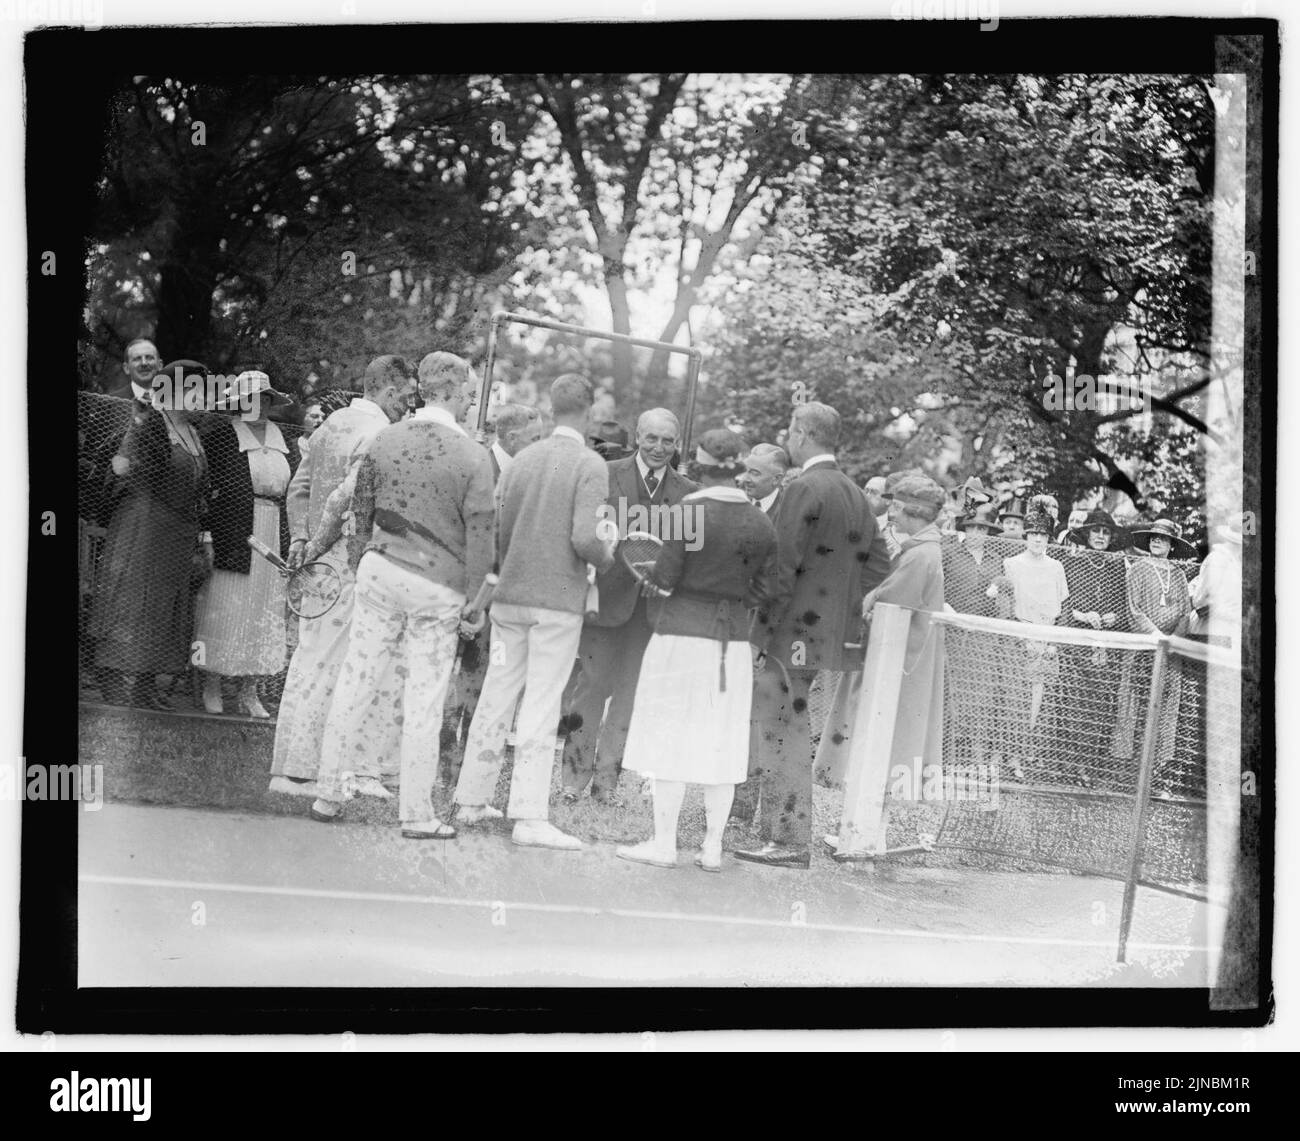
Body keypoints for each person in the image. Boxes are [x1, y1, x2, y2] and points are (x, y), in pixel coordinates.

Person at [309, 352, 495, 839]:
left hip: (380, 567)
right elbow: (481, 536)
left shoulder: (386, 438)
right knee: (424, 698)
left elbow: (360, 507)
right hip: (438, 582)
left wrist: (359, 562)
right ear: (451, 393)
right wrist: (477, 603)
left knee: (356, 681)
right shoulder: (473, 455)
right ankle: (416, 814)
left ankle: (327, 794)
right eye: (469, 394)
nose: (472, 402)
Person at [453, 374, 617, 850]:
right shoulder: (589, 464)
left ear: (551, 407)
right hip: (557, 604)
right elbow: (586, 537)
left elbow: (494, 529)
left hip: (509, 599)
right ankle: (528, 816)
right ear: (588, 411)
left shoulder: (522, 459)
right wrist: (607, 554)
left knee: (497, 693)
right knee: (543, 702)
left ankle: (471, 799)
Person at [736, 401, 890, 870]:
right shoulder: (856, 494)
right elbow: (879, 564)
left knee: (783, 731)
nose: (789, 437)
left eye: (790, 431)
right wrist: (838, 607)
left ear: (802, 434)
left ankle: (788, 840)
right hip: (824, 635)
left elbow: (780, 570)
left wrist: (760, 636)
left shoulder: (804, 488)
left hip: (790, 633)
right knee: (789, 726)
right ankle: (779, 833)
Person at [615, 429, 778, 872]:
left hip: (680, 638)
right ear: (739, 468)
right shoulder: (761, 522)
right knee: (722, 745)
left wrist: (653, 582)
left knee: (668, 738)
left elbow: (665, 578)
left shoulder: (686, 511)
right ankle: (711, 850)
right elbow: (765, 590)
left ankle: (664, 845)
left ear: (698, 465)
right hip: (732, 645)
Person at [269, 355, 414, 795]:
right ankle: (303, 772)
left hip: (317, 561)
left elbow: (300, 487)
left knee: (309, 658)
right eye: (406, 397)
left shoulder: (331, 425)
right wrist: (315, 543)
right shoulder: (379, 434)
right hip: (345, 559)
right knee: (335, 664)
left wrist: (300, 538)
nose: (408, 406)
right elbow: (342, 500)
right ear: (388, 390)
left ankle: (290, 768)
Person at [560, 407, 697, 806]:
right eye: (651, 438)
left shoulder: (689, 491)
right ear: (637, 436)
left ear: (677, 444)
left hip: (652, 612)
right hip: (605, 603)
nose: (658, 447)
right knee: (590, 688)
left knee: (630, 696)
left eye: (667, 441)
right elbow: (583, 532)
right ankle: (572, 779)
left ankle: (607, 783)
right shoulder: (605, 473)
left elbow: (689, 553)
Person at [89, 359, 213, 709]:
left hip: (177, 532)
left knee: (164, 608)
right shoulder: (148, 423)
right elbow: (123, 469)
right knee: (130, 601)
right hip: (142, 525)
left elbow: (200, 487)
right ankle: (111, 676)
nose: (202, 398)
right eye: (195, 391)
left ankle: (144, 685)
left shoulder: (194, 434)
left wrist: (200, 530)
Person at [439, 401, 544, 781]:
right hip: (469, 592)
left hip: (507, 598)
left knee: (487, 682)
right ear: (512, 437)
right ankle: (446, 761)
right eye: (534, 438)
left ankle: (471, 766)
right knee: (456, 681)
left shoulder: (529, 474)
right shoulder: (478, 465)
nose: (540, 445)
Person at [192, 371, 300, 717]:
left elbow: (295, 490)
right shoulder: (223, 436)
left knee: (264, 611)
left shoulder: (283, 439)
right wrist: (208, 536)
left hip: (273, 531)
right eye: (252, 398)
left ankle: (249, 691)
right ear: (240, 402)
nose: (259, 405)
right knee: (225, 606)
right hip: (233, 532)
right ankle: (212, 684)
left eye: (265, 398)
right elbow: (206, 491)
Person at [849, 473, 947, 796]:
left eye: (897, 507)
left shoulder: (920, 555)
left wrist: (866, 601)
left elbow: (890, 601)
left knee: (888, 736)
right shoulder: (922, 549)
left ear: (912, 511)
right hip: (903, 655)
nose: (891, 512)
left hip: (901, 659)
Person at [1114, 518, 1195, 793]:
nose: (1157, 541)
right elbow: (1133, 609)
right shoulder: (1137, 568)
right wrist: (1155, 636)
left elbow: (1186, 613)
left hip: (1169, 651)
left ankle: (1157, 771)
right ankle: (1125, 770)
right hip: (1143, 648)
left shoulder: (1180, 575)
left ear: (1172, 544)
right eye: (1153, 537)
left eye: (1163, 538)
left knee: (1166, 708)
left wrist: (1172, 640)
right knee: (1132, 704)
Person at [1058, 508, 1130, 785]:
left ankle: (1087, 764)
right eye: (1096, 531)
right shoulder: (1072, 563)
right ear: (1087, 534)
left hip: (1105, 649)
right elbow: (1063, 603)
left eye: (1105, 532)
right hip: (1076, 645)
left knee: (1099, 706)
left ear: (1111, 537)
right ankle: (1068, 764)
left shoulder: (1116, 568)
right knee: (1074, 704)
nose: (1100, 536)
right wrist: (1081, 615)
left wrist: (1114, 617)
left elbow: (1125, 608)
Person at [1001, 507, 1070, 780]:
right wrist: (1022, 638)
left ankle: (1030, 753)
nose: (1038, 539)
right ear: (1026, 536)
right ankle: (1012, 755)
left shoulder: (1056, 567)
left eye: (1043, 535)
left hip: (1047, 639)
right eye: (1033, 534)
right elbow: (1006, 605)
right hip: (1021, 638)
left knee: (1040, 702)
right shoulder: (1011, 564)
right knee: (1017, 699)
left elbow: (1062, 607)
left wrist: (1053, 642)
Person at [1189, 523, 1243, 648]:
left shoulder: (1236, 563)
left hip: (1230, 631)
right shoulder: (1217, 560)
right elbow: (1200, 602)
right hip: (1211, 630)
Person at [738, 442, 789, 516]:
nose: (745, 479)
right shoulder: (735, 502)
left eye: (754, 473)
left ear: (776, 479)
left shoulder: (788, 511)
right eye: (745, 471)